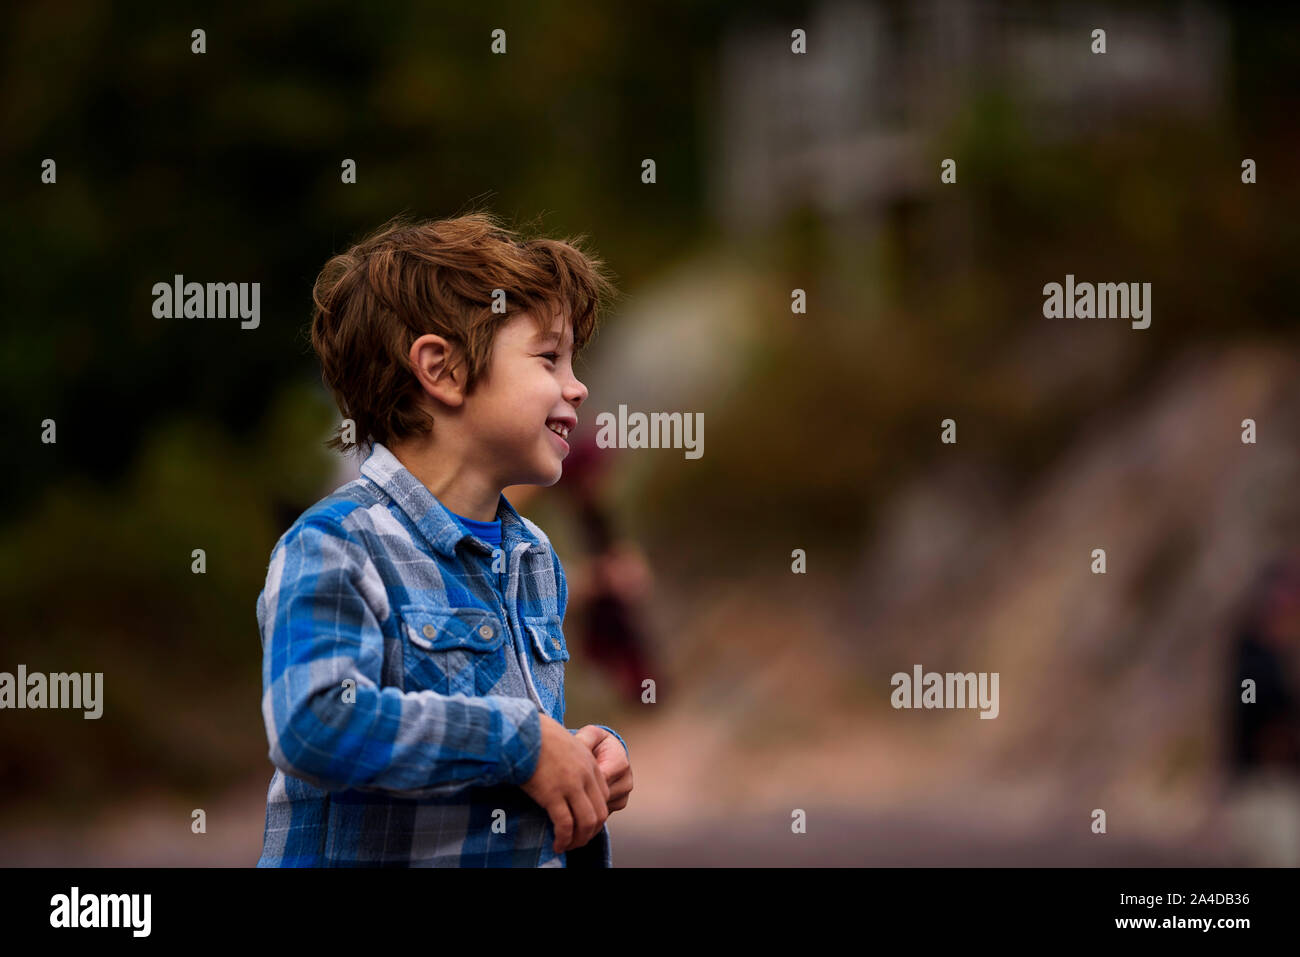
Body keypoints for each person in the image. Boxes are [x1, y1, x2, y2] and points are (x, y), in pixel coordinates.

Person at [256, 212, 632, 866]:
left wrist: (578, 757)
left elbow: (502, 743)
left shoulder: (535, 559)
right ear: (444, 370)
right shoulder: (335, 543)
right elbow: (314, 720)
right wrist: (525, 744)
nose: (578, 385)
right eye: (549, 357)